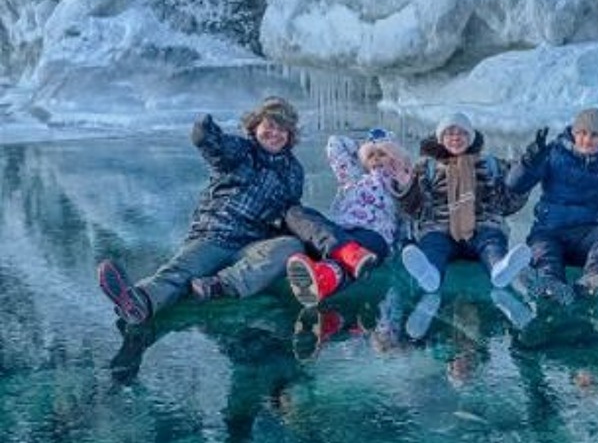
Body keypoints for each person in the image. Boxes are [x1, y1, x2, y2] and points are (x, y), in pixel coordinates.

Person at [97, 96, 306, 324]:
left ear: (290, 135)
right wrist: (206, 135)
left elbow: (290, 214)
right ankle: (139, 303)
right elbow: (217, 149)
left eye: (283, 129)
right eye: (270, 126)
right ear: (255, 126)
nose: (275, 133)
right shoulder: (241, 151)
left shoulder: (293, 172)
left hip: (250, 247)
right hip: (214, 236)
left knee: (291, 246)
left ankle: (219, 286)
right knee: (178, 273)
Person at [504, 107, 598, 303]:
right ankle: (551, 283)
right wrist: (529, 162)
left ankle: (594, 278)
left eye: (595, 135)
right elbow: (514, 185)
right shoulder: (553, 153)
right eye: (582, 133)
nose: (587, 140)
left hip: (587, 236)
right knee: (545, 253)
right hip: (549, 231)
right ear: (573, 133)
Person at [393, 112, 531, 294]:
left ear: (471, 137)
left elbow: (507, 203)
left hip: (483, 227)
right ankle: (430, 274)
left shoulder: (491, 164)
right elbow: (416, 209)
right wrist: (406, 188)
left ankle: (500, 269)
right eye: (450, 133)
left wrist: (523, 176)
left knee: (491, 243)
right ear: (441, 138)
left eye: (462, 133)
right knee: (433, 246)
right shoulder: (427, 168)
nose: (456, 137)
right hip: (439, 229)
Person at [283, 128, 411, 307]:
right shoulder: (353, 178)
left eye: (382, 154)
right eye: (371, 155)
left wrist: (401, 173)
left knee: (356, 259)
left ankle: (324, 276)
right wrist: (365, 147)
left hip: (373, 235)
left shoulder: (398, 181)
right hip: (339, 232)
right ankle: (345, 253)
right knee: (294, 212)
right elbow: (335, 143)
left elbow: (412, 207)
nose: (376, 158)